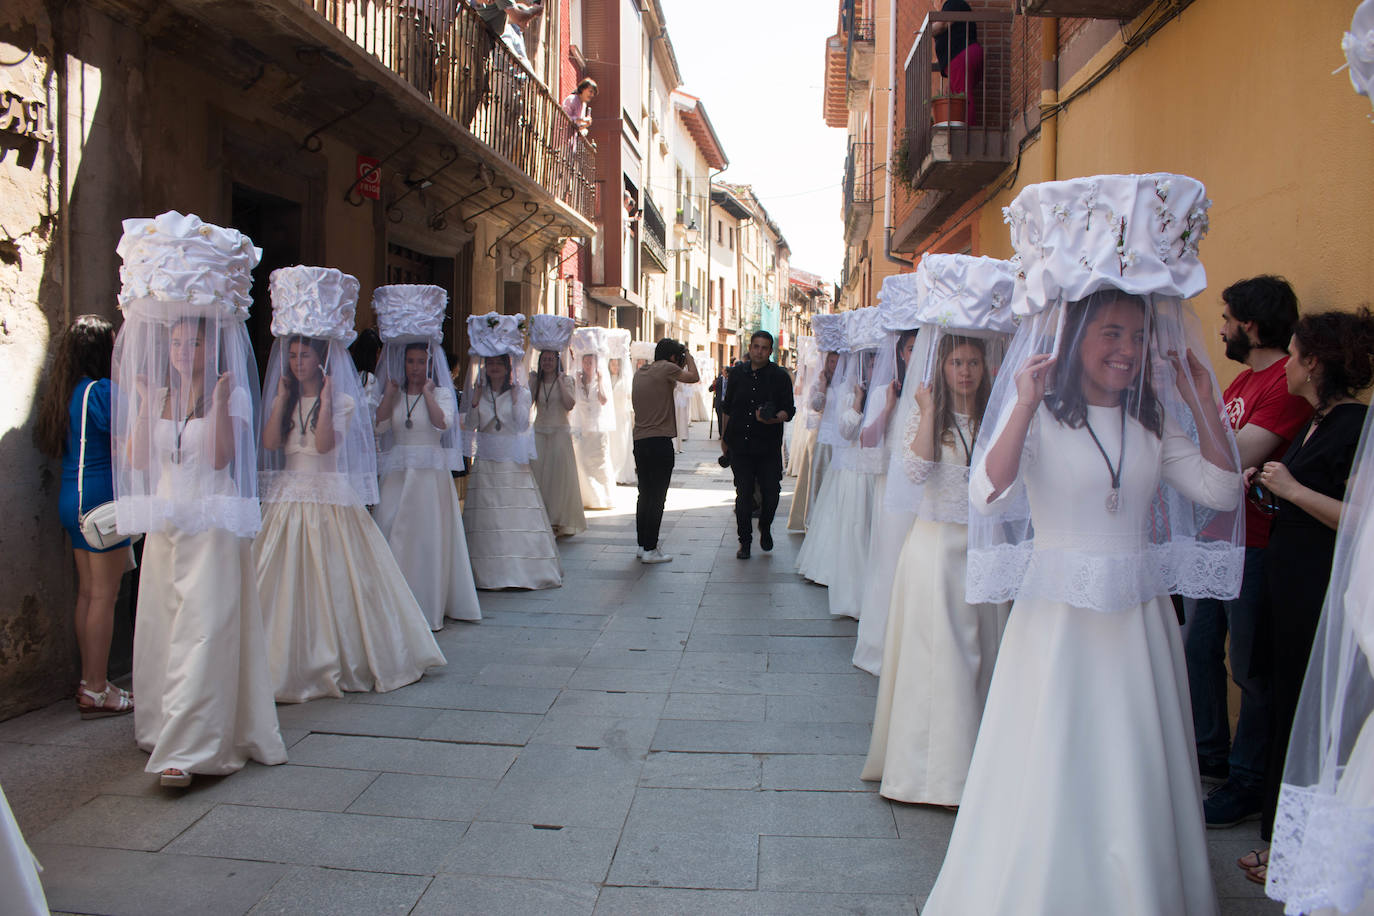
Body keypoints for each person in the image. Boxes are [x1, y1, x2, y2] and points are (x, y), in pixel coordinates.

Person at [924, 175, 1245, 914]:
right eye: (1111, 334)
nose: (1126, 350)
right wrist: (1024, 404)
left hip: (1137, 625)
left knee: (1133, 765)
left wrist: (1202, 398)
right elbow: (988, 493)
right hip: (1057, 625)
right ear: (1076, 337)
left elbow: (1222, 493)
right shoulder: (1039, 414)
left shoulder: (1153, 422)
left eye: (1137, 336)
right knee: (1053, 761)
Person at [110, 211, 286, 788]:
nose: (184, 349)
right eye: (177, 340)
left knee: (205, 628)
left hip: (211, 524)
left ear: (212, 346)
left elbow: (216, 460)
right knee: (165, 624)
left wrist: (214, 398)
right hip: (167, 523)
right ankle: (164, 726)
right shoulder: (156, 393)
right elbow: (137, 460)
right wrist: (140, 401)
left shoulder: (229, 395)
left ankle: (193, 746)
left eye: (194, 341)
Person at [255, 268, 445, 702]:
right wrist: (283, 398)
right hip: (289, 494)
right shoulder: (284, 397)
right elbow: (268, 443)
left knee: (338, 580)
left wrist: (321, 397)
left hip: (327, 495)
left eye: (304, 355)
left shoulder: (339, 400)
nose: (296, 362)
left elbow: (324, 446)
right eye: (293, 355)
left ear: (321, 359)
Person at [1242, 308, 1374, 886]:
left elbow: (1363, 520)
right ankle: (1282, 839)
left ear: (1315, 361)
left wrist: (1290, 489)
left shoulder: (1357, 426)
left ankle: (1296, 847)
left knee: (1310, 714)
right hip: (1289, 583)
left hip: (1322, 590)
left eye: (1294, 354)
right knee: (1284, 705)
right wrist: (1270, 488)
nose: (1287, 364)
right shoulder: (1317, 422)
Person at [862, 325, 1011, 805]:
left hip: (985, 550)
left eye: (973, 362)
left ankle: (983, 766)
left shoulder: (997, 416)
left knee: (984, 656)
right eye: (955, 363)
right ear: (941, 368)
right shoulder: (925, 416)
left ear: (986, 366)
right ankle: (934, 774)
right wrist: (926, 411)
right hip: (935, 551)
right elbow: (916, 472)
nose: (965, 371)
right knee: (940, 662)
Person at [1185, 275, 1312, 829]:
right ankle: (1210, 750)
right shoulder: (1241, 383)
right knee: (1199, 647)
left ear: (1251, 326)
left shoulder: (1281, 386)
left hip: (1254, 544)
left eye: (1228, 318)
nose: (1222, 328)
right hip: (1213, 537)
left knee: (1249, 669)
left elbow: (1231, 455)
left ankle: (1247, 780)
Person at [35, 314, 134, 718]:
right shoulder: (103, 390)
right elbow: (129, 441)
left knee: (89, 593)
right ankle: (96, 687)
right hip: (103, 500)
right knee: (105, 598)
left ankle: (90, 681)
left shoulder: (69, 391)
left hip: (71, 498)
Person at [371, 284, 482, 628]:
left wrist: (431, 394)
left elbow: (442, 424)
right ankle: (393, 602)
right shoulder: (396, 391)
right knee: (390, 529)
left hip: (430, 475)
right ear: (403, 362)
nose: (416, 367)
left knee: (427, 538)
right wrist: (389, 395)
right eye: (411, 361)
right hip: (399, 469)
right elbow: (379, 428)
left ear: (430, 363)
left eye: (421, 361)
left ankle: (428, 602)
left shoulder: (441, 394)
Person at [463, 312, 563, 589]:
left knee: (513, 515)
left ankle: (518, 570)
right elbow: (471, 426)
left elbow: (520, 425)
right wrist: (472, 402)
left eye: (499, 363)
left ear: (508, 366)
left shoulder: (520, 392)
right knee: (488, 516)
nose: (494, 367)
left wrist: (519, 398)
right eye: (490, 363)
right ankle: (486, 572)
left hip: (511, 463)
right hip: (486, 462)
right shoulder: (479, 392)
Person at [721, 331, 795, 559]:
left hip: (767, 446)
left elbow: (789, 411)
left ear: (770, 351)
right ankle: (745, 542)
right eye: (756, 346)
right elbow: (727, 409)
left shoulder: (779, 377)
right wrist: (724, 439)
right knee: (743, 495)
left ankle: (765, 526)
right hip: (740, 445)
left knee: (772, 493)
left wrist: (773, 418)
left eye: (764, 348)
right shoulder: (736, 375)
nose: (759, 351)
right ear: (750, 347)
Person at [631, 338, 699, 563]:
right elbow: (693, 376)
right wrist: (687, 354)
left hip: (640, 442)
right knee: (657, 498)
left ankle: (642, 545)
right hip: (660, 442)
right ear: (672, 358)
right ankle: (651, 548)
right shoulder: (668, 368)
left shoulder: (641, 372)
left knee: (644, 495)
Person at [528, 343, 587, 536]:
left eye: (551, 359)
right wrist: (531, 382)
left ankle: (557, 520)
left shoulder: (567, 380)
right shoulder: (535, 381)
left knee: (558, 478)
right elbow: (527, 404)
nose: (547, 362)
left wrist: (561, 381)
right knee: (539, 477)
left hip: (560, 433)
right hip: (539, 432)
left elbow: (569, 404)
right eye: (544, 359)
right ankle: (540, 517)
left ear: (557, 361)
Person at [571, 328, 617, 510]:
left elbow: (604, 401)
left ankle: (602, 498)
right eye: (586, 361)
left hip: (598, 427)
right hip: (582, 425)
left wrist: (598, 382)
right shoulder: (577, 378)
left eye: (592, 362)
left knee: (599, 462)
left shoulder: (601, 378)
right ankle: (587, 497)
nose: (589, 364)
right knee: (582, 461)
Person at [932, 0, 983, 125]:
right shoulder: (955, 5)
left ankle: (966, 133)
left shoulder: (952, 3)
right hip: (965, 54)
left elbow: (942, 25)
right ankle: (955, 127)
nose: (934, 3)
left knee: (962, 95)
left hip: (961, 55)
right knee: (953, 94)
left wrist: (924, 30)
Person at [606, 329, 636, 486]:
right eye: (612, 363)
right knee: (611, 446)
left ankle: (622, 472)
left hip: (621, 418)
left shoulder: (625, 380)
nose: (615, 366)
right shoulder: (606, 379)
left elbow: (629, 397)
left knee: (621, 445)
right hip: (610, 417)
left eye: (617, 363)